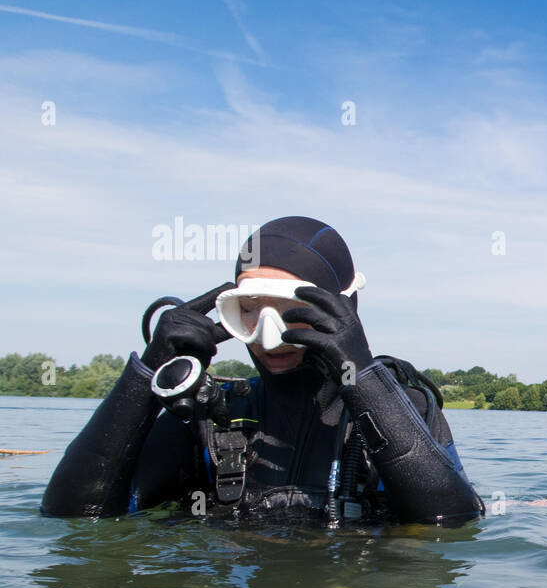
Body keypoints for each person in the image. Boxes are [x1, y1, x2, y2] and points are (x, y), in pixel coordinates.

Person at [42, 217, 483, 525]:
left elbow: (452, 524)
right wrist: (146, 376)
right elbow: (74, 518)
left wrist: (362, 375)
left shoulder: (403, 411)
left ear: (343, 308)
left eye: (295, 314)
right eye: (248, 312)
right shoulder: (209, 420)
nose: (269, 338)